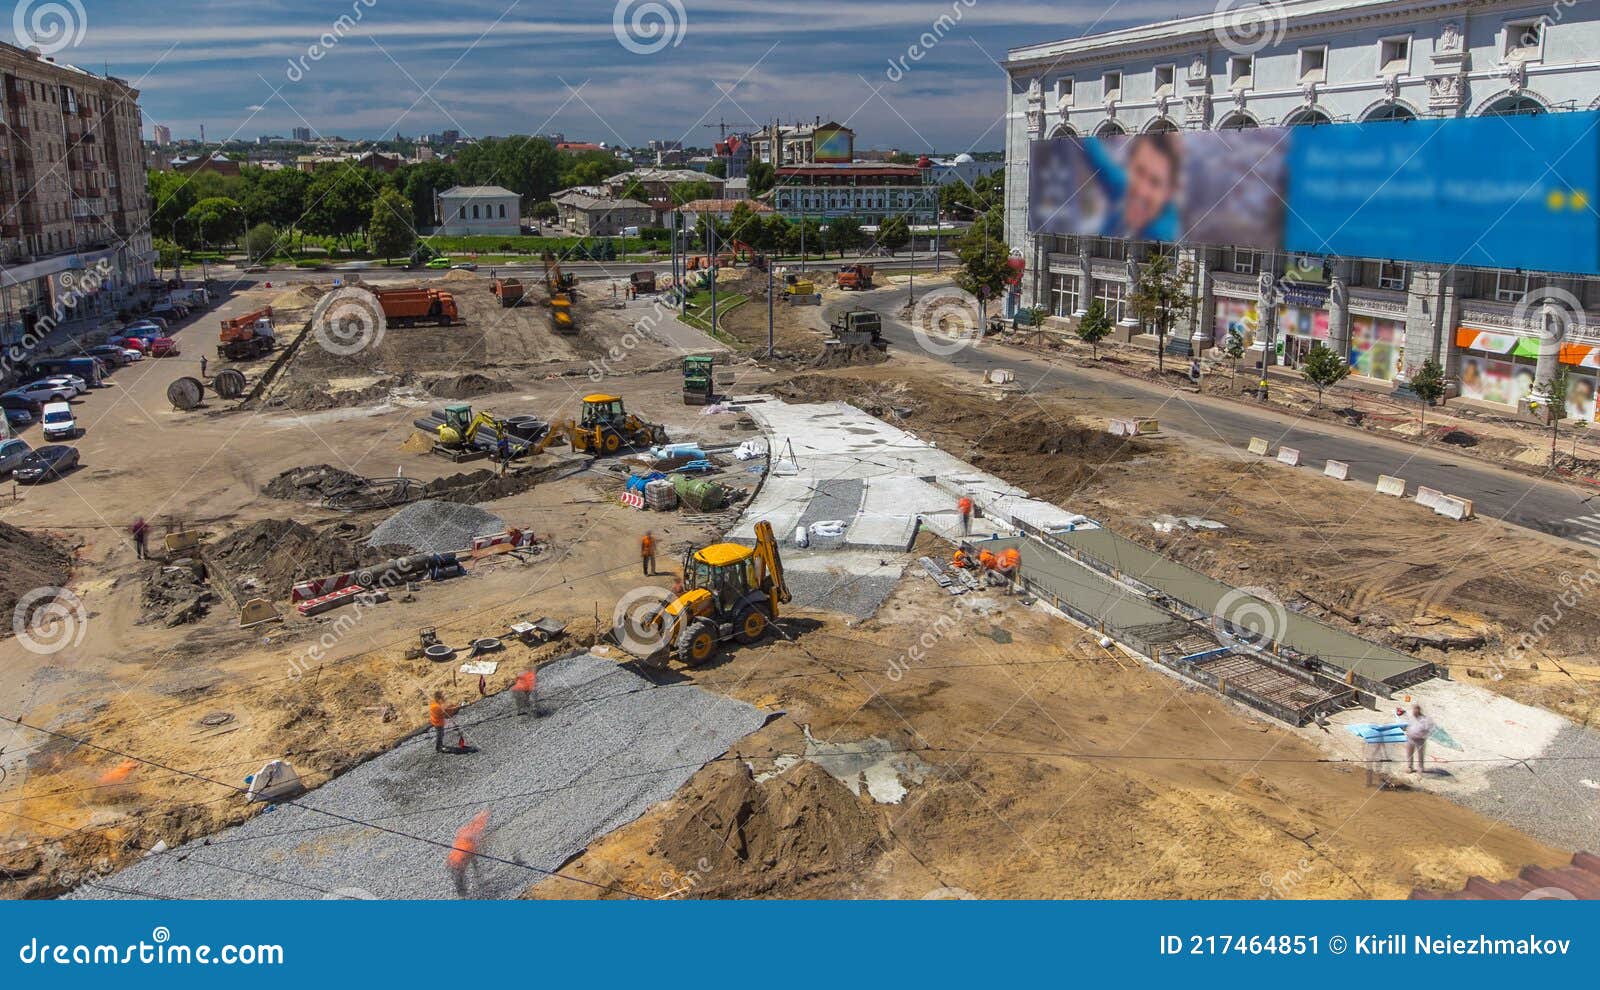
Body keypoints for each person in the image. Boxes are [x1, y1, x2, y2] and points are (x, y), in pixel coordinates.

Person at [1082, 132, 1182, 242]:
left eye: (1155, 182)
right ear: (1129, 164)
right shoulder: (1122, 186)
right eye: (1139, 171)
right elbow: (1098, 158)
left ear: (1169, 193)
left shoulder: (1161, 239)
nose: (1142, 190)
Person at [447, 811, 489, 898]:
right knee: (459, 879)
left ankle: (463, 894)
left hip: (452, 860)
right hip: (458, 862)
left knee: (459, 880)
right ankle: (463, 895)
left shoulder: (464, 832)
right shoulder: (471, 843)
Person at [1401, 703, 1435, 774]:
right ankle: (1410, 767)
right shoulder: (1411, 716)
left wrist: (1425, 735)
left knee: (1420, 754)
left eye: (1416, 709)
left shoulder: (1424, 719)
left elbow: (1430, 729)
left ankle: (1420, 767)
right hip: (1410, 738)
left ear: (1419, 710)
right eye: (1413, 709)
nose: (1414, 711)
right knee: (1409, 753)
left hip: (1420, 740)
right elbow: (1404, 715)